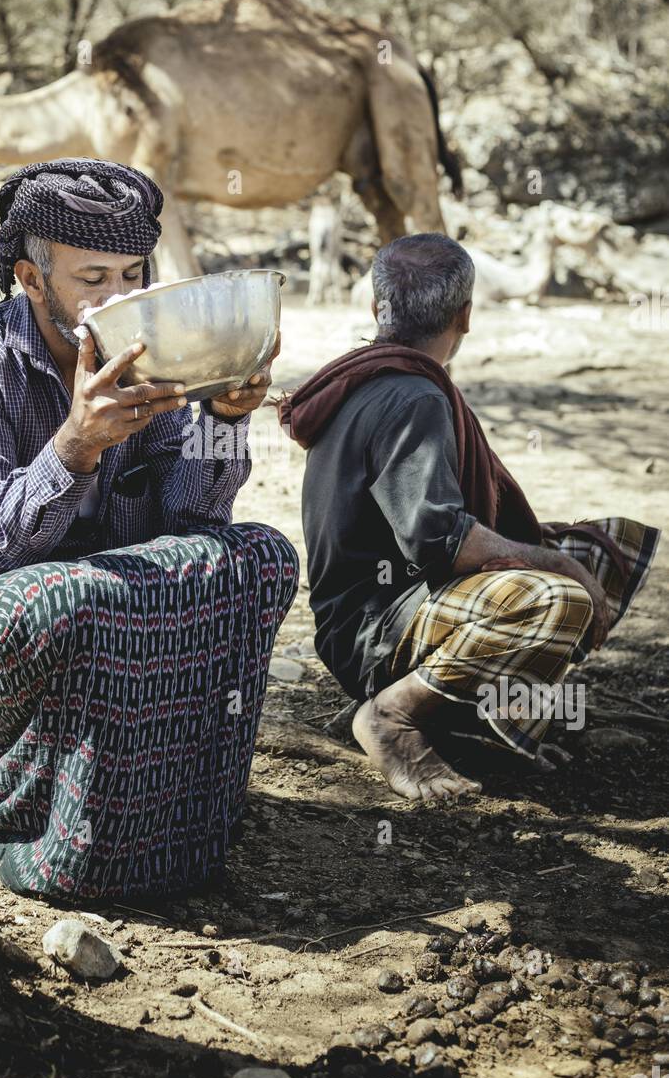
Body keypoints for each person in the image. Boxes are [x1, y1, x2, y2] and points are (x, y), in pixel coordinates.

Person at [0, 158, 298, 902]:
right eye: (93, 279)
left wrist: (224, 420)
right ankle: (28, 832)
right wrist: (75, 445)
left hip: (106, 617)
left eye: (134, 276)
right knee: (74, 600)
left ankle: (190, 817)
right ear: (31, 279)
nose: (121, 299)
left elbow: (194, 525)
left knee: (261, 558)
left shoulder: (147, 360)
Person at [280, 232, 659, 803]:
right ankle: (393, 715)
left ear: (375, 309)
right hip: (374, 628)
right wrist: (552, 563)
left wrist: (559, 555)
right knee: (556, 598)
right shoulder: (413, 396)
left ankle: (473, 726)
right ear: (466, 316)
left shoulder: (367, 375)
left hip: (389, 607)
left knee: (609, 547)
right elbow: (441, 541)